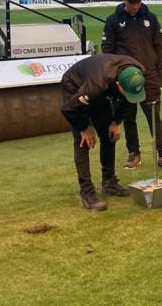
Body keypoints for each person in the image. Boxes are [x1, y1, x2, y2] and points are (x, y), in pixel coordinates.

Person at [102, 0, 162, 172]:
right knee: (128, 116)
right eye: (131, 3)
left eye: (138, 3)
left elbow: (159, 48)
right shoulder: (112, 21)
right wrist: (115, 78)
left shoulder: (151, 18)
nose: (135, 7)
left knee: (154, 116)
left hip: (150, 76)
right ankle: (134, 153)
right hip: (124, 78)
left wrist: (159, 77)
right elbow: (107, 52)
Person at [60, 54, 147, 211]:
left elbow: (129, 99)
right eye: (124, 91)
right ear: (118, 83)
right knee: (83, 142)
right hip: (75, 86)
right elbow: (68, 109)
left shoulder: (136, 73)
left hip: (102, 90)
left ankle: (109, 183)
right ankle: (86, 192)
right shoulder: (97, 85)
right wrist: (84, 127)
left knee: (109, 134)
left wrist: (115, 122)